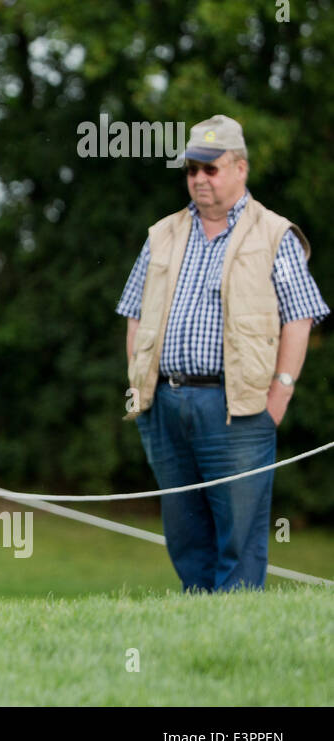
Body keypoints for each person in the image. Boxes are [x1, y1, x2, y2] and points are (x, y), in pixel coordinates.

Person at [117, 115, 327, 592]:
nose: (199, 178)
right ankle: (199, 616)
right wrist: (138, 386)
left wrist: (281, 395)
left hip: (239, 407)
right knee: (184, 529)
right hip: (165, 405)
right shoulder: (163, 233)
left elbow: (301, 317)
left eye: (210, 169)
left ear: (240, 168)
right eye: (192, 169)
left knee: (241, 531)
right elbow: (134, 312)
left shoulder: (273, 233)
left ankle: (234, 625)